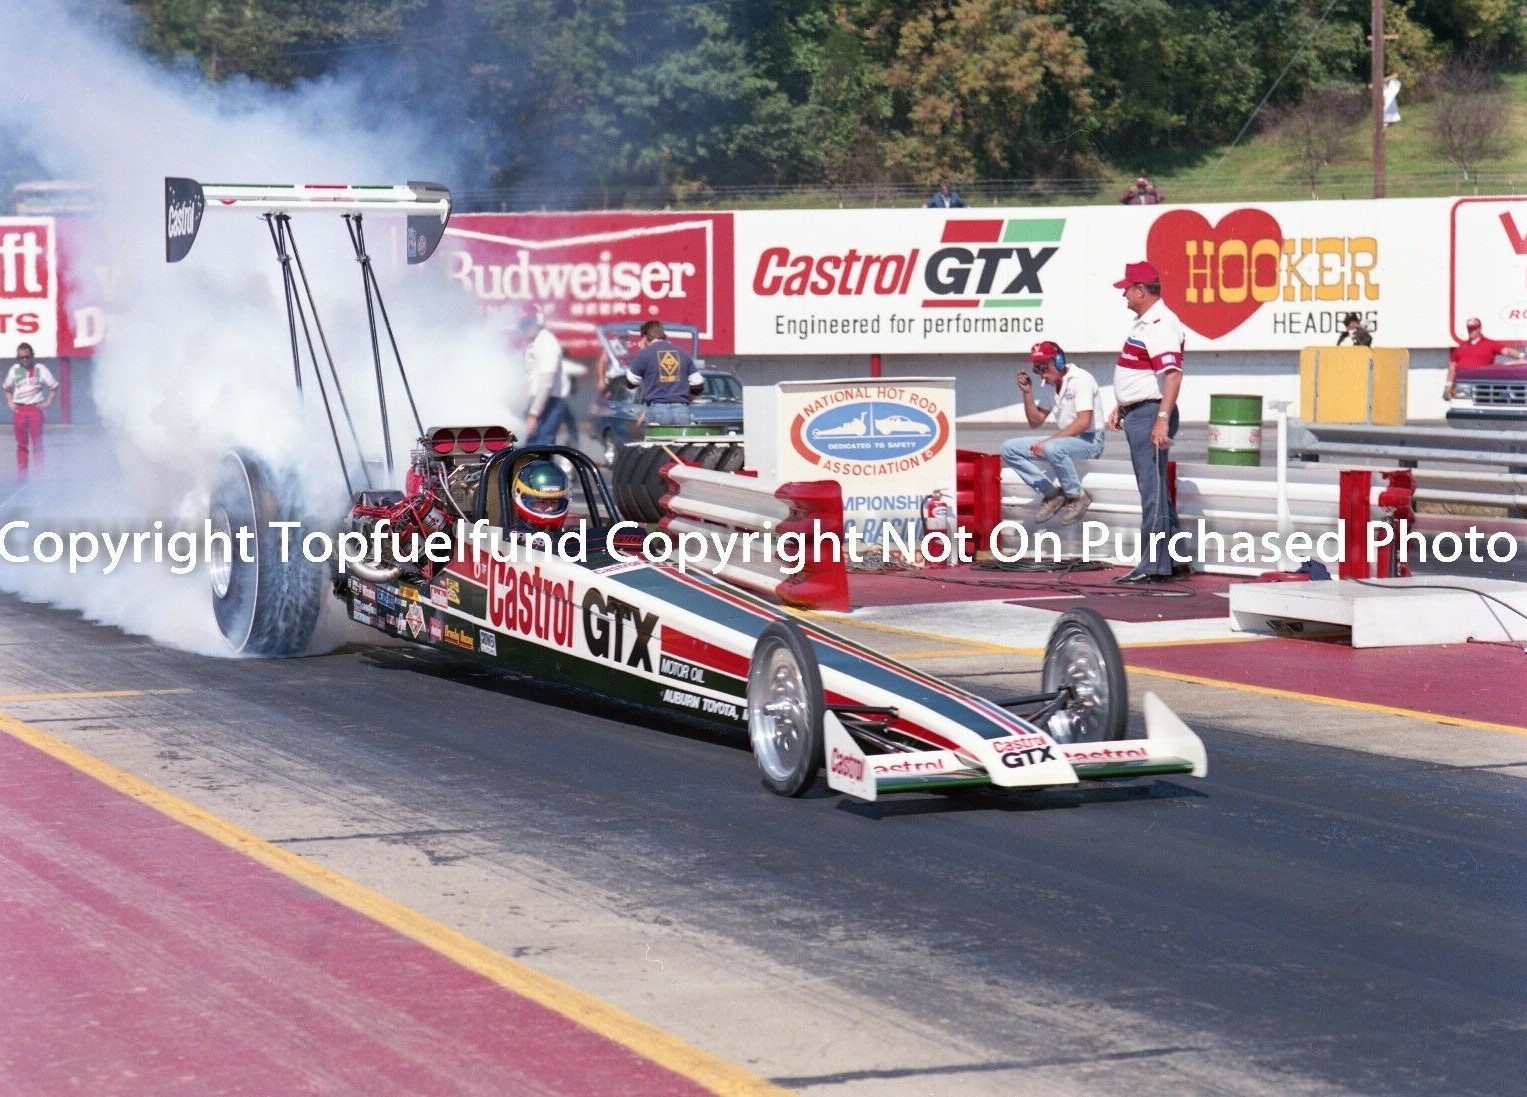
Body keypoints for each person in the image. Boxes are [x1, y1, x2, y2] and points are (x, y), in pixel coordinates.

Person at [1106, 261, 1188, 584]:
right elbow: (1146, 376)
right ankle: (1175, 558)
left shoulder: (1158, 323)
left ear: (1141, 291)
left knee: (1151, 490)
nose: (1124, 295)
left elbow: (1172, 374)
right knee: (1157, 490)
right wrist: (1122, 405)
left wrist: (1162, 419)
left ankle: (1152, 565)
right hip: (1141, 411)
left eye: (1127, 289)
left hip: (1150, 414)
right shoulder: (1148, 322)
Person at [1000, 341, 1104, 525]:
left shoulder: (1081, 379)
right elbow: (1036, 420)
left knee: (1052, 448)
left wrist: (1047, 442)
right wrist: (1027, 393)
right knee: (1008, 448)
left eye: (1044, 367)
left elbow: (1083, 421)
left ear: (1058, 361)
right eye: (1037, 369)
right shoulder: (1048, 385)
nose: (1041, 373)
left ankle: (1076, 496)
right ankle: (1052, 494)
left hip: (1089, 440)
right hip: (1066, 440)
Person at [623, 320, 703, 430]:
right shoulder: (683, 353)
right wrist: (685, 399)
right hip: (681, 410)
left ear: (646, 338)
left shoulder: (645, 354)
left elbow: (631, 382)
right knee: (680, 447)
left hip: (657, 410)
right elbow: (698, 384)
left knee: (659, 446)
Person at [3, 342, 58, 479]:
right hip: (20, 410)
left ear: (32, 356)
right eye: (21, 357)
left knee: (37, 442)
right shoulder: (14, 370)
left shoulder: (40, 369)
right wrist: (10, 402)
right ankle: (22, 475)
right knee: (21, 444)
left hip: (35, 409)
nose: (24, 360)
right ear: (18, 358)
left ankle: (39, 475)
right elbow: (7, 388)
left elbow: (54, 386)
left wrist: (47, 402)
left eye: (27, 356)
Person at [519, 304, 568, 446]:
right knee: (528, 449)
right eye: (523, 324)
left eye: (528, 323)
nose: (525, 328)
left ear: (537, 321)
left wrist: (534, 414)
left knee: (540, 450)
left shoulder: (547, 343)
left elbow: (546, 383)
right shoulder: (534, 343)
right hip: (536, 402)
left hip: (548, 404)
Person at [1445, 316, 1525, 400]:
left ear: (1479, 329)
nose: (1471, 331)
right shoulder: (1461, 347)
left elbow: (1507, 351)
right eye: (1469, 329)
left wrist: (1522, 356)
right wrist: (1448, 386)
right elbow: (1452, 366)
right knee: (1460, 408)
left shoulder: (1489, 344)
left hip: (1480, 384)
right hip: (1461, 385)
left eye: (1474, 328)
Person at [510, 457, 571, 532]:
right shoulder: (509, 539)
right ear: (523, 498)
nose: (550, 509)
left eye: (554, 502)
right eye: (542, 501)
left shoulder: (570, 537)